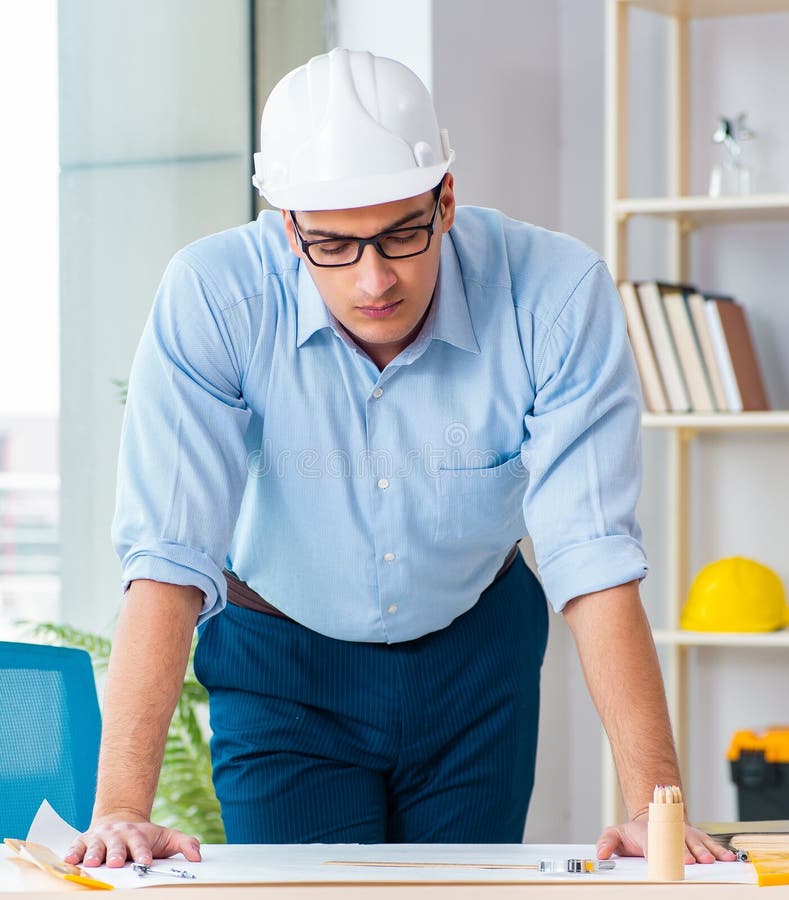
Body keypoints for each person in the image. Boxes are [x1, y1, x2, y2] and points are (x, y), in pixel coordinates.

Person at [66, 48, 734, 868]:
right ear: (289, 230)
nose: (373, 279)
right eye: (333, 247)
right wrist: (122, 809)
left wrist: (650, 808)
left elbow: (590, 553)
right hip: (283, 666)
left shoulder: (554, 294)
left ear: (446, 198)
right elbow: (169, 555)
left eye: (402, 234)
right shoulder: (214, 298)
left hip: (474, 658)